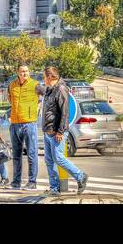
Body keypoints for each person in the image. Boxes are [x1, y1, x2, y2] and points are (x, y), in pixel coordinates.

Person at [40, 65, 88, 195]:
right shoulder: (50, 89)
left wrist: (60, 131)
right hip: (48, 131)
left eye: (44, 76)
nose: (43, 79)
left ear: (50, 76)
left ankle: (80, 176)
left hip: (57, 132)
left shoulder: (61, 89)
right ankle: (54, 188)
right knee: (49, 161)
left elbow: (65, 113)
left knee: (59, 158)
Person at [8, 64, 41, 190]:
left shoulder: (35, 84)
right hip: (15, 124)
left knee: (32, 153)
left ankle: (32, 182)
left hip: (29, 123)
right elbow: (10, 100)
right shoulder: (12, 85)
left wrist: (37, 109)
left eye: (27, 71)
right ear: (17, 72)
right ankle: (16, 182)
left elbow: (45, 97)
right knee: (16, 155)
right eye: (22, 71)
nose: (25, 73)